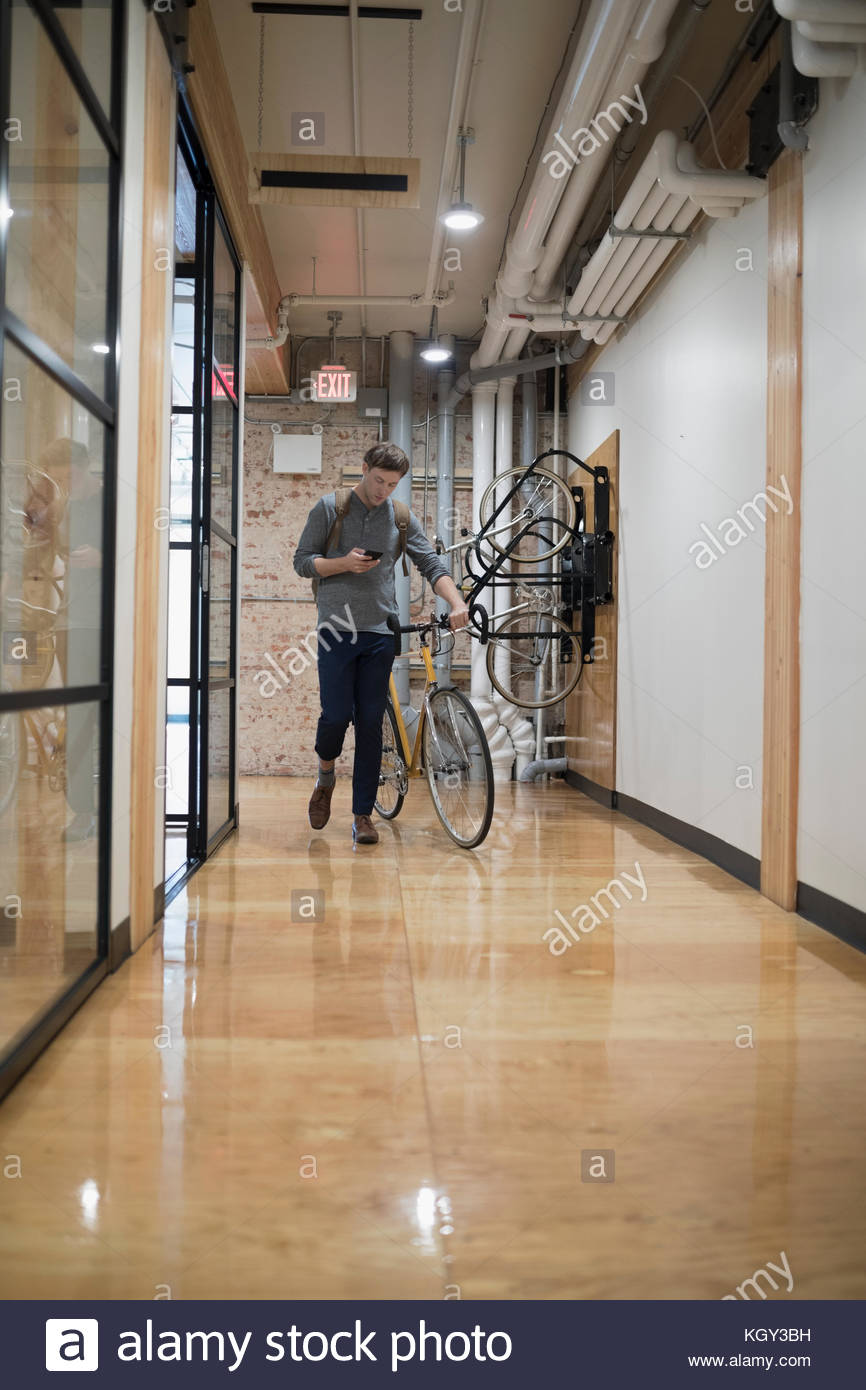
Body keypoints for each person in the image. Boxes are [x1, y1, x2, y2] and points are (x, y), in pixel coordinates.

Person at [293, 441, 469, 845]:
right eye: (378, 480)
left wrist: (457, 601)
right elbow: (302, 561)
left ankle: (362, 816)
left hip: (378, 633)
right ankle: (325, 778)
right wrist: (344, 564)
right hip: (335, 631)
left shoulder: (400, 518)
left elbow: (430, 564)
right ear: (364, 468)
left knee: (371, 722)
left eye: (392, 484)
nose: (383, 491)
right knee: (336, 716)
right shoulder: (330, 508)